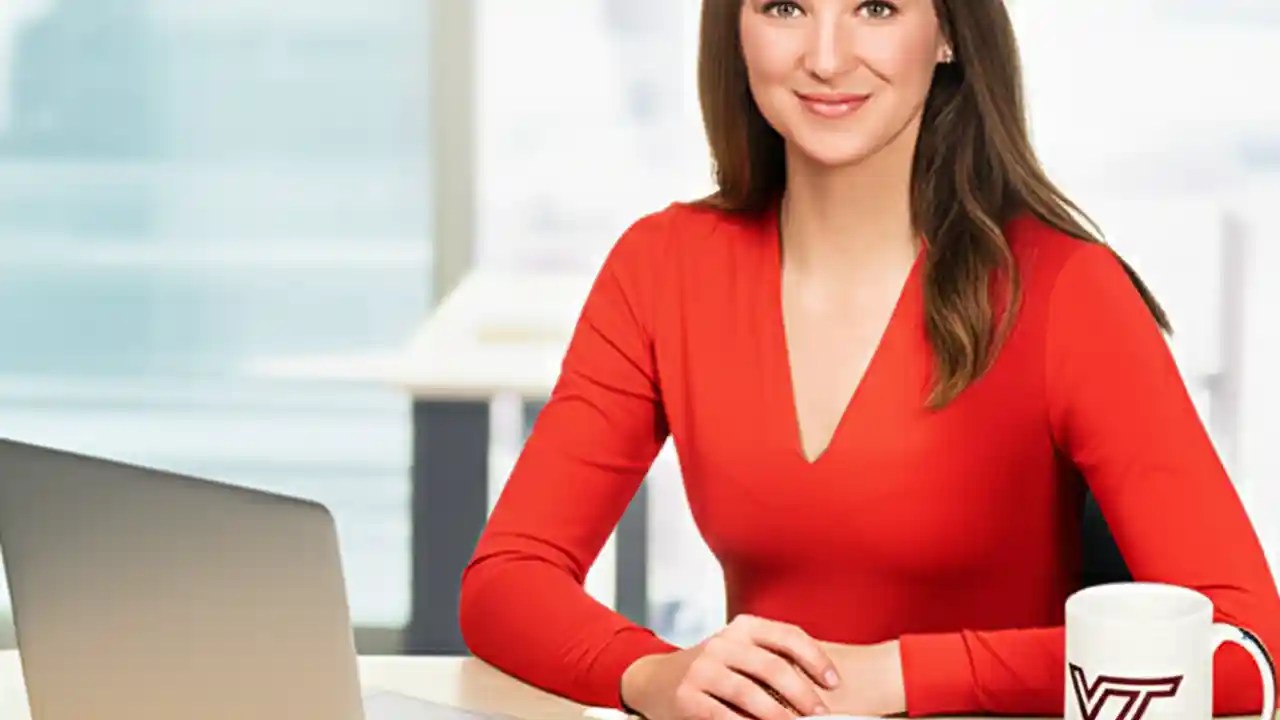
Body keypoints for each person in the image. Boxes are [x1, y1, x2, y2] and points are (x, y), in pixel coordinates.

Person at [458, 1, 1280, 718]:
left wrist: (899, 674)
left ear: (949, 30)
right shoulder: (662, 267)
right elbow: (508, 580)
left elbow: (1245, 648)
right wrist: (652, 675)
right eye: (783, 7)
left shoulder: (1067, 292)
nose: (823, 56)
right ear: (734, 30)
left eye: (877, 8)